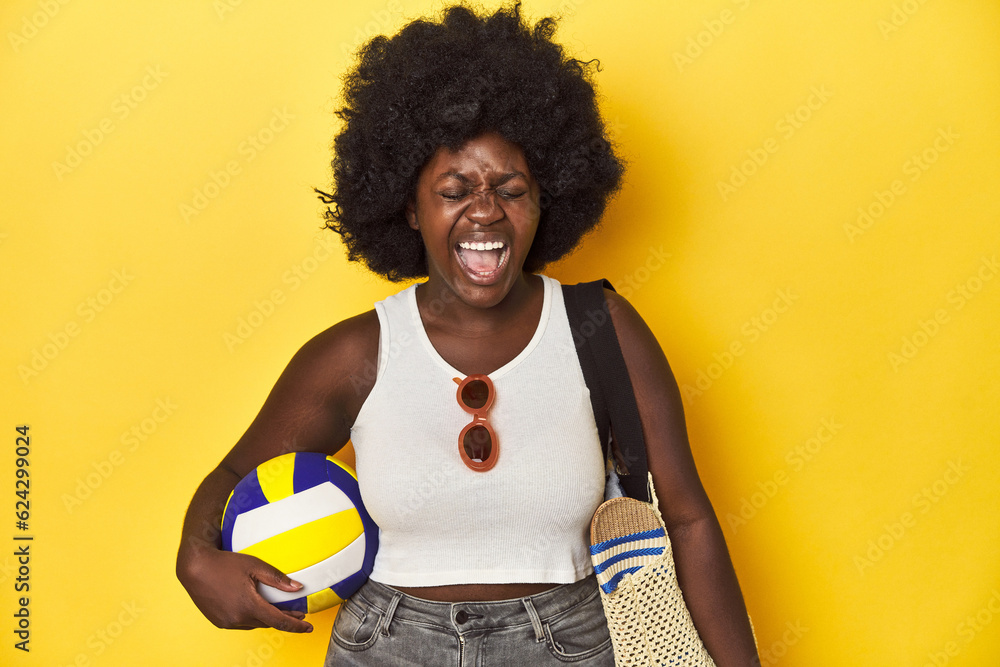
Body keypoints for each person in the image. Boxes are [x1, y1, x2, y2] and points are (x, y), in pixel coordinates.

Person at [176, 2, 760, 664]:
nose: (485, 209)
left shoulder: (601, 329)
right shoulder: (356, 354)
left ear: (546, 199)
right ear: (408, 203)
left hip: (569, 643)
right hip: (389, 645)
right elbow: (232, 472)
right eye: (455, 189)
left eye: (510, 188)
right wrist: (195, 556)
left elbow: (687, 519)